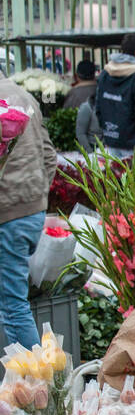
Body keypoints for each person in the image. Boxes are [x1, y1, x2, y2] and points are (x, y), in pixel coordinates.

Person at [0, 75, 58, 348]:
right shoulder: (24, 95)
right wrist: (36, 197)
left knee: (12, 307)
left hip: (8, 215)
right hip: (30, 211)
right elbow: (49, 155)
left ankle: (36, 384)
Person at [94, 32, 135, 157]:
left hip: (112, 141)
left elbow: (98, 107)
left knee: (113, 176)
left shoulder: (106, 72)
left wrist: (107, 132)